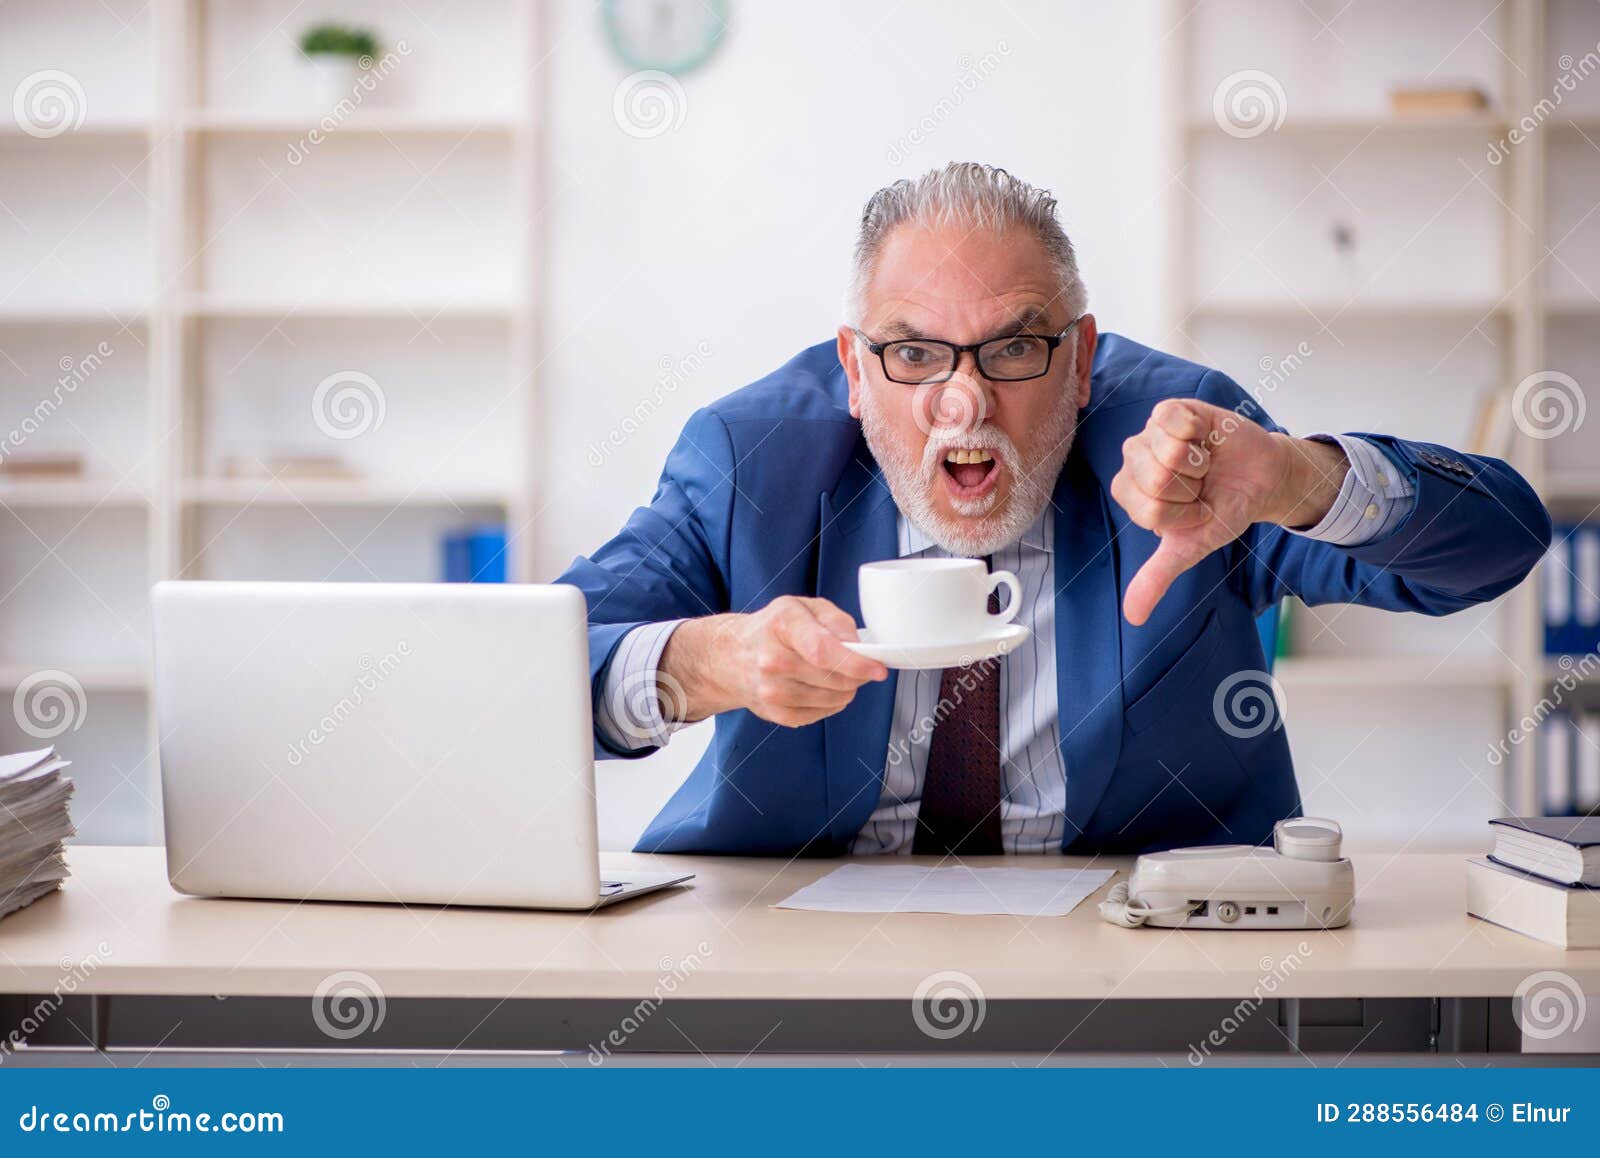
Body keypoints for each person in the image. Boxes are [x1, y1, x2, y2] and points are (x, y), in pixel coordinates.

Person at [557, 162, 1551, 857]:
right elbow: (537, 668)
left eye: (1013, 349)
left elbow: (1499, 546)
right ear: (854, 371)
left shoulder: (1187, 452)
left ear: (1080, 364)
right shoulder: (750, 462)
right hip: (787, 961)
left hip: (1145, 966)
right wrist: (706, 662)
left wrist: (1297, 478)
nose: (964, 402)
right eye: (914, 353)